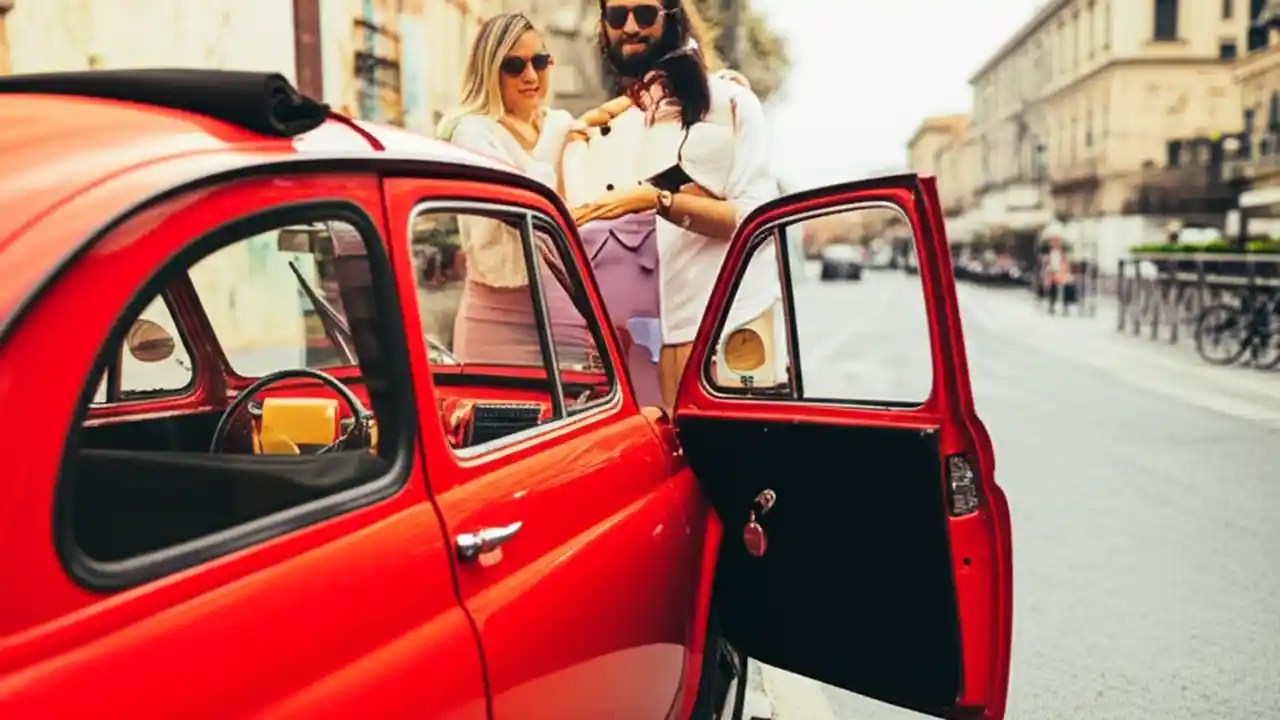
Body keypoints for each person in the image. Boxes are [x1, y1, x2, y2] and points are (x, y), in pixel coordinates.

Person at [570, 0, 779, 408]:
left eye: (645, 15)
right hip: (667, 342)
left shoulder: (730, 103)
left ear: (674, 20)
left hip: (735, 333)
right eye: (617, 17)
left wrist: (657, 200)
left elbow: (753, 220)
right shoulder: (634, 121)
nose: (630, 27)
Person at [435, 13, 587, 364]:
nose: (530, 76)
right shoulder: (472, 130)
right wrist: (566, 145)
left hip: (563, 307)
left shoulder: (562, 123)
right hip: (493, 314)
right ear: (489, 70)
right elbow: (524, 203)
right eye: (514, 65)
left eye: (539, 62)